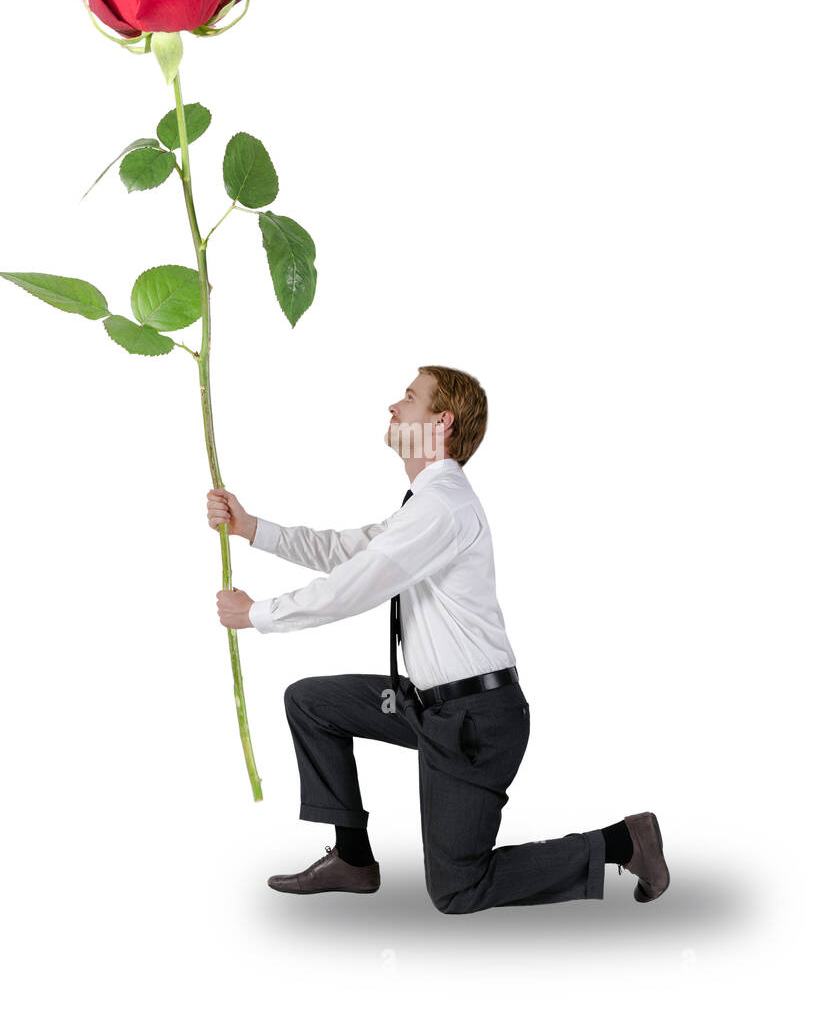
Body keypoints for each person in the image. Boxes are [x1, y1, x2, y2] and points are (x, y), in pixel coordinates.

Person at [209, 365, 670, 914]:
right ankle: (353, 860)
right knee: (312, 702)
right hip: (429, 707)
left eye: (409, 397)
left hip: (475, 721)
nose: (393, 406)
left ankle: (624, 841)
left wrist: (257, 614)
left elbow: (358, 584)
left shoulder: (442, 506)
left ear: (442, 421)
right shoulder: (424, 506)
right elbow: (349, 551)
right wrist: (252, 528)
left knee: (457, 889)